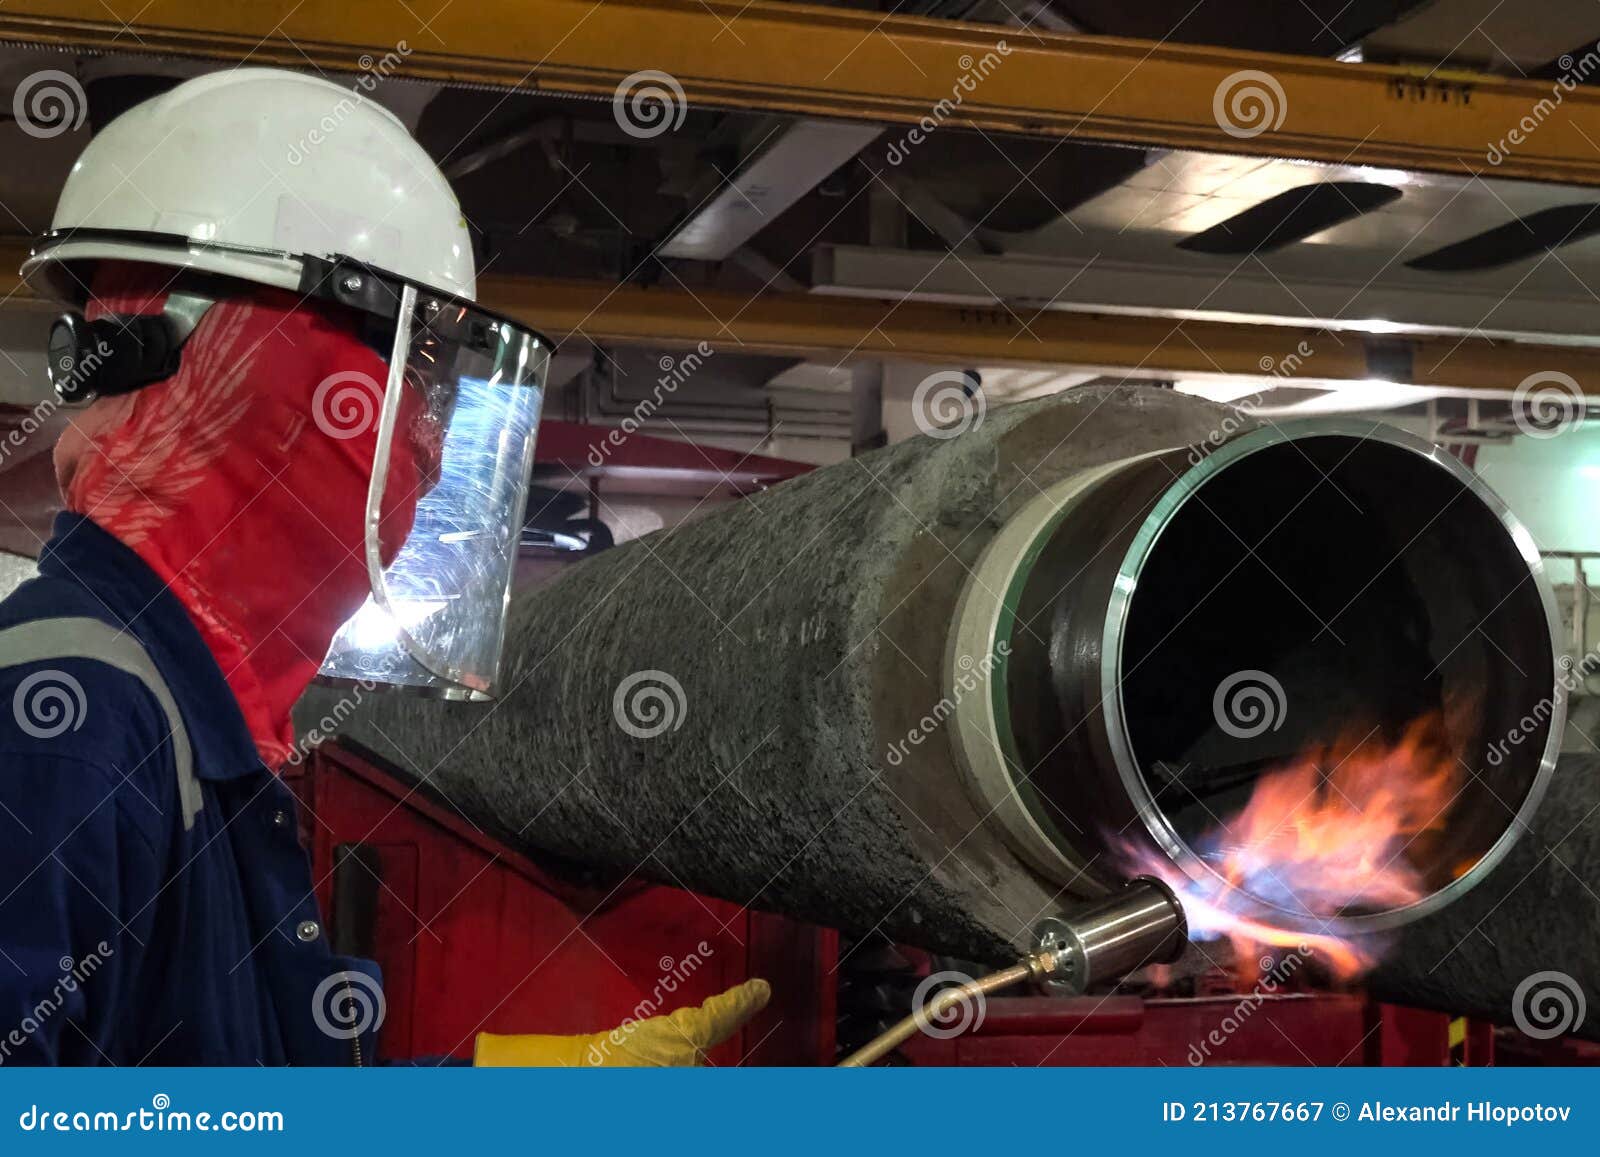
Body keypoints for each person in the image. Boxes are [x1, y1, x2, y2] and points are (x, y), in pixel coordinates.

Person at [0, 67, 766, 1065]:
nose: (430, 451)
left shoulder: (179, 722)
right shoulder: (70, 723)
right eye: (410, 382)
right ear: (272, 375)